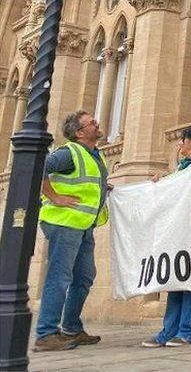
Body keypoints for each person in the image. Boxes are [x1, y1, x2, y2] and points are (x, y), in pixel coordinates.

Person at [33, 111, 110, 352]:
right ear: (79, 132)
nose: (97, 123)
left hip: (83, 225)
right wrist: (54, 197)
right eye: (92, 123)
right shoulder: (69, 152)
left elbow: (88, 184)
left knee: (84, 276)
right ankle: (46, 334)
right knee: (59, 277)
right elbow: (37, 166)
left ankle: (71, 328)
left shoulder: (96, 155)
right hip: (64, 223)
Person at [142, 127, 191, 348]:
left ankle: (187, 331)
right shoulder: (182, 167)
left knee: (190, 281)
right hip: (178, 231)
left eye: (183, 140)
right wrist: (162, 182)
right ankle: (168, 331)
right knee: (175, 279)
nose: (179, 144)